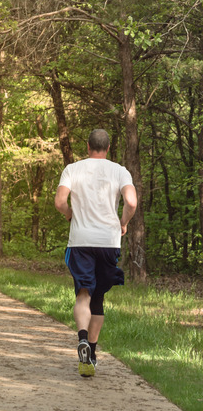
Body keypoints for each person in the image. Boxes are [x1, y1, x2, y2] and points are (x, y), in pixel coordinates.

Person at [55, 129, 137, 377]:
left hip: (80, 241)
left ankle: (81, 339)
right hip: (108, 242)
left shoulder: (72, 169)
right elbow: (131, 202)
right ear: (108, 147)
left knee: (83, 293)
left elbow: (60, 202)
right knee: (98, 297)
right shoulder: (120, 171)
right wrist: (123, 222)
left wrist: (69, 214)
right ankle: (91, 352)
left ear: (87, 146)